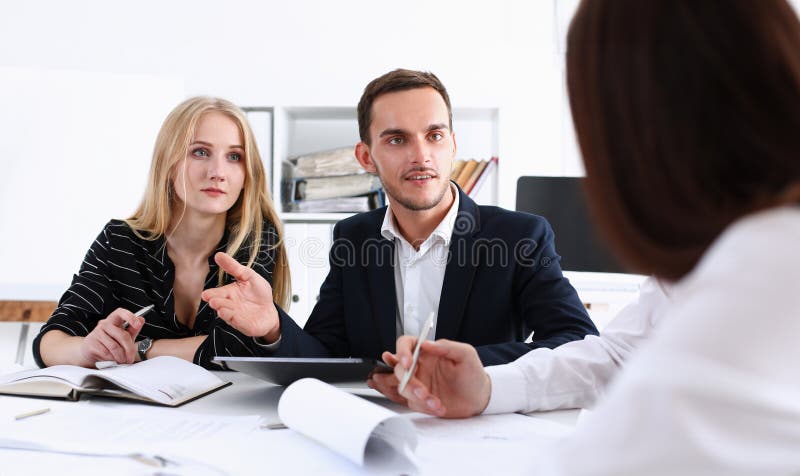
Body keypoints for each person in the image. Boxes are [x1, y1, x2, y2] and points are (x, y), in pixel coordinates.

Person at [379, 0, 800, 473]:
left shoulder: (763, 270)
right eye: (396, 139)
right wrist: (489, 388)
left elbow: (626, 434)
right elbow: (618, 353)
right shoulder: (726, 248)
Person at [203, 69, 598, 365]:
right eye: (397, 139)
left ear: (453, 145)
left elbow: (577, 341)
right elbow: (325, 353)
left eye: (435, 135)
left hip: (480, 429)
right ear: (365, 157)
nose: (421, 155)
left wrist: (461, 363)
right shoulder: (354, 237)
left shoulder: (520, 236)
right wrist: (272, 325)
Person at [33, 96, 291, 370]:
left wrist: (138, 349)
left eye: (234, 157)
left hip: (226, 408)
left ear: (247, 173)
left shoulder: (257, 241)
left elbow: (237, 349)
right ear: (168, 163)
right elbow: (51, 341)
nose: (218, 172)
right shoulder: (119, 240)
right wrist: (87, 348)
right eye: (200, 152)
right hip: (135, 410)